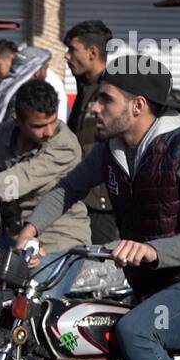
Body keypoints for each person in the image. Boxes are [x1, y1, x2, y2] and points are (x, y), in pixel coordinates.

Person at [18, 55, 180, 360]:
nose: (94, 107)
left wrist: (153, 250)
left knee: (134, 331)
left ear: (138, 106)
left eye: (105, 99)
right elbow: (67, 189)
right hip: (150, 287)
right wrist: (29, 233)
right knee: (73, 324)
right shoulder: (112, 151)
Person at [0, 80, 90, 252]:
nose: (49, 132)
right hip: (13, 240)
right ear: (17, 120)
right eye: (39, 126)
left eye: (53, 121)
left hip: (59, 239)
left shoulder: (65, 145)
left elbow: (20, 180)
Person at [64, 20, 117, 244]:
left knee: (99, 269)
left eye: (72, 50)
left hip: (102, 203)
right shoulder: (85, 87)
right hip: (81, 195)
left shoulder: (114, 91)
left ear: (93, 52)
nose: (67, 56)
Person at [0, 46, 70, 132]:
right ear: (37, 72)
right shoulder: (16, 91)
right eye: (45, 69)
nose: (46, 74)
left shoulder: (51, 84)